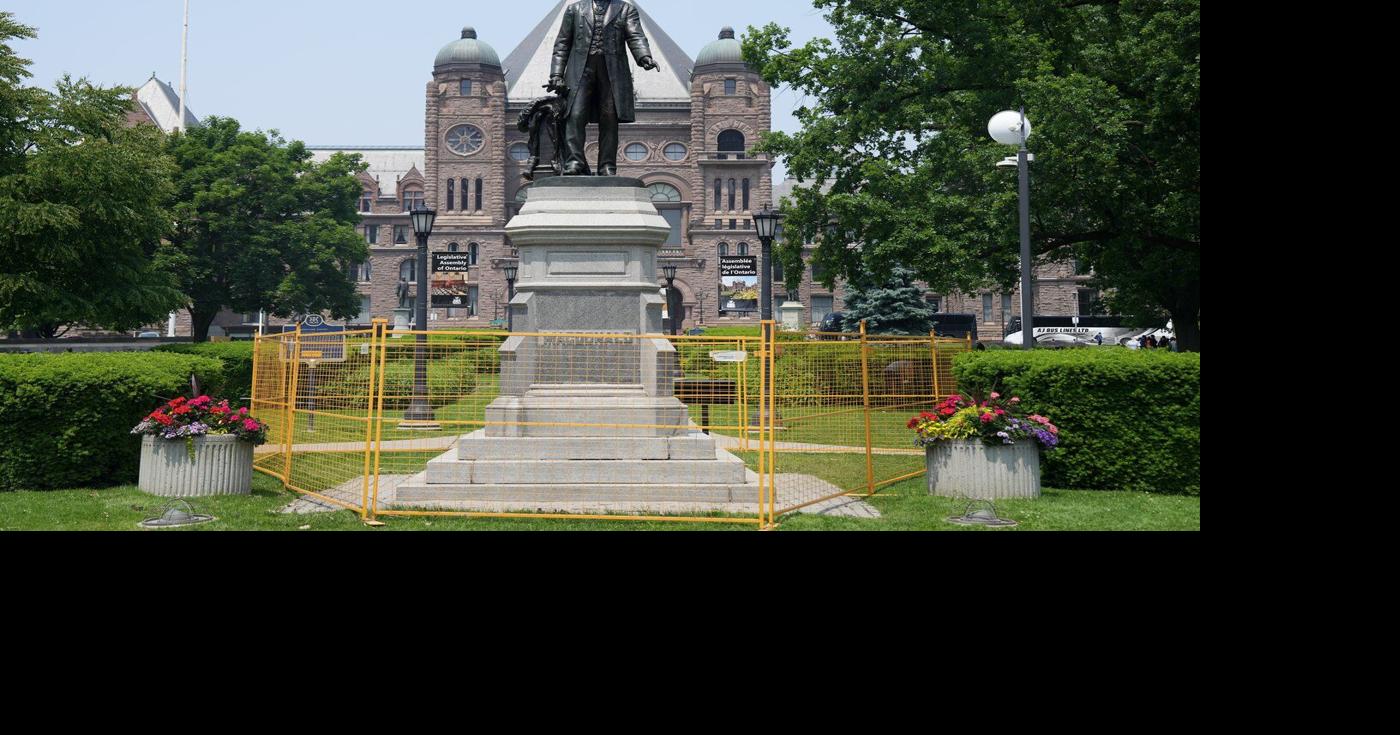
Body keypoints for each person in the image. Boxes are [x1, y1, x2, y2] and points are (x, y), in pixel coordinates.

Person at [549, 0, 659, 176]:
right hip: (580, 70)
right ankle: (574, 162)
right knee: (575, 115)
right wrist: (556, 74)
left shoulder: (625, 9)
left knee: (609, 119)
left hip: (612, 71)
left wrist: (644, 56)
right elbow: (562, 43)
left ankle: (607, 165)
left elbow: (635, 35)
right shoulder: (575, 9)